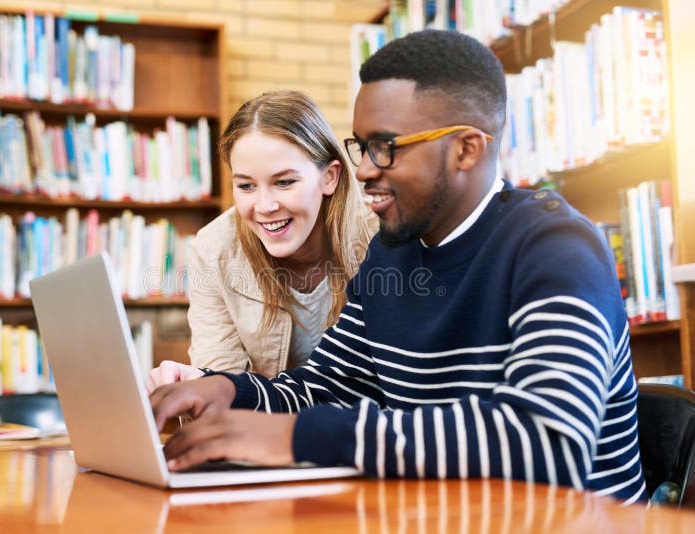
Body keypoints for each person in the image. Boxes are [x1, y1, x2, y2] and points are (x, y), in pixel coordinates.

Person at [148, 30, 647, 504]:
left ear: (466, 149)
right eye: (362, 147)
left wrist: (301, 437)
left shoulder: (557, 248)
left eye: (386, 148)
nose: (364, 171)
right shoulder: (392, 253)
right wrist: (226, 390)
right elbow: (325, 386)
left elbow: (547, 443)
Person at [146, 91, 376, 389]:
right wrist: (200, 390)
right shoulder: (215, 249)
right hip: (269, 427)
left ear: (329, 177)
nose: (264, 206)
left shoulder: (380, 236)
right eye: (246, 185)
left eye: (284, 182)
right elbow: (223, 387)